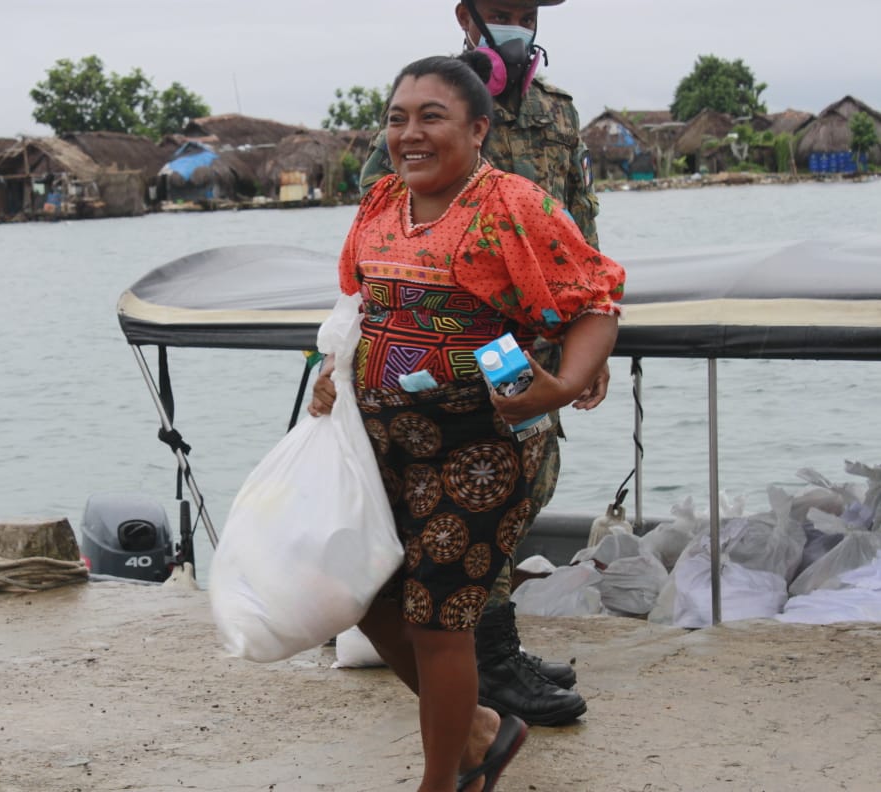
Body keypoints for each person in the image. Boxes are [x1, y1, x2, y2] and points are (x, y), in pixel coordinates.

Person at [309, 52, 624, 792]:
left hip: (480, 446)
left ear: (479, 129)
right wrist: (332, 374)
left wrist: (565, 382)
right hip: (384, 444)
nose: (409, 134)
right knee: (362, 599)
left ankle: (443, 781)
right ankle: (481, 731)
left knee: (440, 622)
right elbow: (358, 308)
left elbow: (594, 300)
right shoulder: (381, 202)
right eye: (397, 118)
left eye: (432, 117)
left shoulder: (513, 204)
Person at [352, 0, 602, 727]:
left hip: (540, 340)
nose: (518, 21)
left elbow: (582, 219)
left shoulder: (557, 111)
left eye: (526, 10)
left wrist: (588, 356)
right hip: (454, 354)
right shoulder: (431, 103)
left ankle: (485, 658)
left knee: (532, 492)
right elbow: (382, 205)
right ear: (467, 17)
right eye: (501, 9)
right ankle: (489, 662)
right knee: (471, 519)